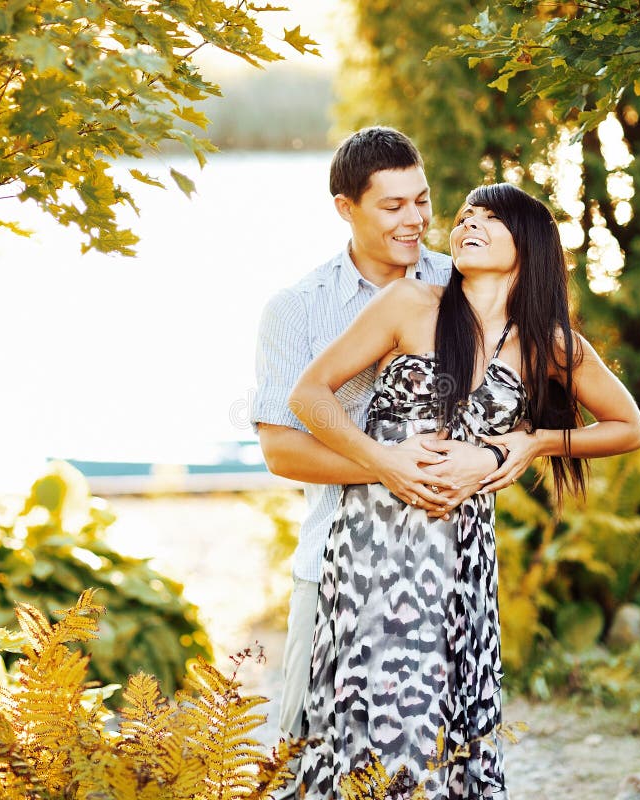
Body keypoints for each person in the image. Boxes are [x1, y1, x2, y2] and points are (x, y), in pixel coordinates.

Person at [289, 182, 640, 798]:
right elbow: (309, 394)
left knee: (444, 724)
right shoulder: (409, 303)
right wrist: (383, 460)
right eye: (462, 218)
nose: (466, 225)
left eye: (488, 218)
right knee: (374, 719)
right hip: (375, 546)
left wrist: (535, 442)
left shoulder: (548, 345)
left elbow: (628, 428)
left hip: (461, 556)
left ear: (528, 242)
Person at [250, 128, 505, 791]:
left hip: (446, 568)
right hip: (333, 559)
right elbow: (280, 448)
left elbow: (521, 393)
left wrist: (510, 452)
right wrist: (387, 465)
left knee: (441, 762)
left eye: (422, 201)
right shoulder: (297, 308)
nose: (416, 221)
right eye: (392, 206)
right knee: (312, 757)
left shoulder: (464, 282)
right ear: (346, 208)